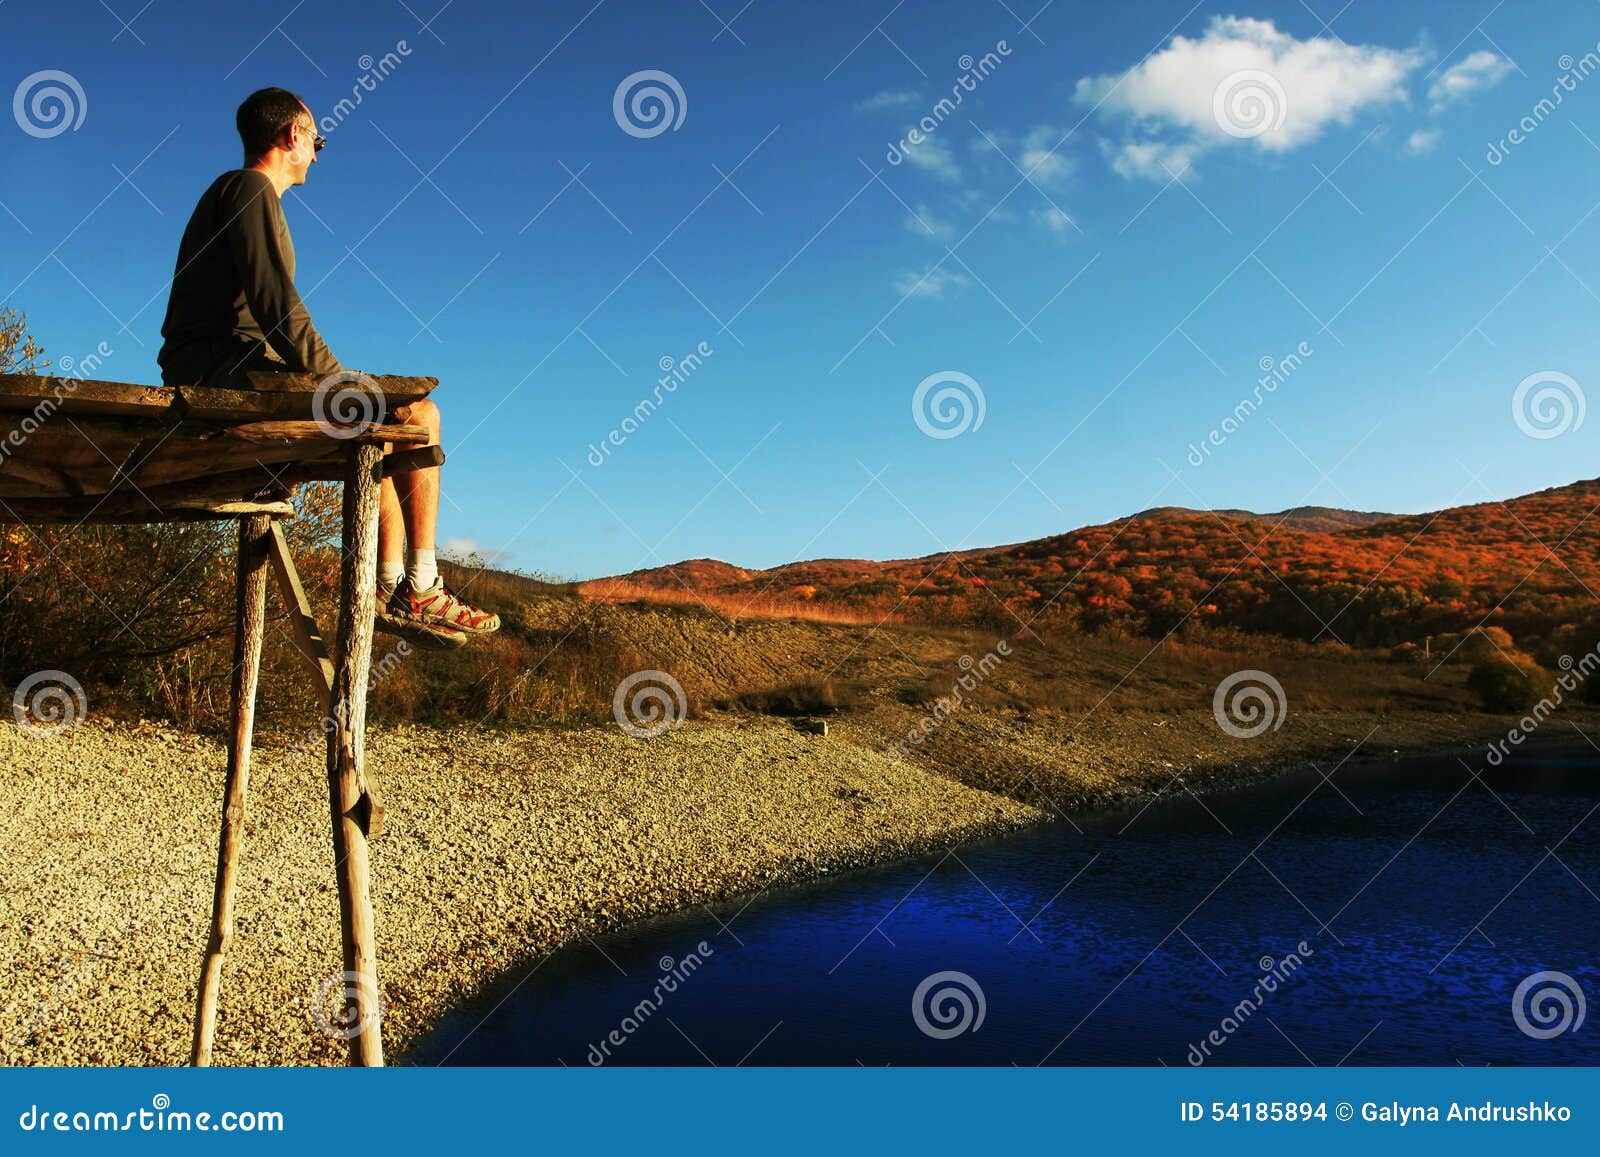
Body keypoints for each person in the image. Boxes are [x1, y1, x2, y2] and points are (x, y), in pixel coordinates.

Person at [156, 86, 498, 638]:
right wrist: (338, 380)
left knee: (388, 425)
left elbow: (271, 309)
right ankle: (418, 585)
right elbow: (276, 306)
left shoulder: (241, 194)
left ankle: (396, 586)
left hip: (228, 365)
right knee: (418, 417)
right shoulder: (248, 190)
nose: (317, 152)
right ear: (292, 136)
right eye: (318, 139)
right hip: (220, 372)